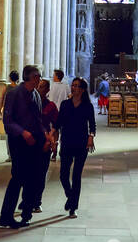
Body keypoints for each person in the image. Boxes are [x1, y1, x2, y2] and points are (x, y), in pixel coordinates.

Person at [0, 64, 45, 229]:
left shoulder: (36, 95)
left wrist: (44, 137)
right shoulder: (14, 94)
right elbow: (8, 121)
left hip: (34, 141)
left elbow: (38, 120)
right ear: (31, 78)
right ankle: (6, 216)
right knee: (17, 177)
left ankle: (26, 214)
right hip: (18, 141)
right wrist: (24, 133)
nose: (40, 79)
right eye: (38, 76)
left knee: (33, 178)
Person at [57, 77, 96, 218]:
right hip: (67, 142)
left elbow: (92, 125)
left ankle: (73, 207)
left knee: (76, 176)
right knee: (63, 175)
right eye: (73, 85)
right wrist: (53, 136)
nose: (74, 88)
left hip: (81, 143)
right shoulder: (65, 104)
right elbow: (58, 122)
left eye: (77, 86)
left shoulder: (87, 106)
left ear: (83, 89)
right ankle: (71, 197)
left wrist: (91, 136)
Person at [31, 79, 60, 213]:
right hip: (31, 143)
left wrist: (54, 144)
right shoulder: (30, 104)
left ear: (47, 90)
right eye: (38, 86)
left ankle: (37, 201)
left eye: (42, 87)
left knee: (41, 173)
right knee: (30, 173)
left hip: (45, 143)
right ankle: (28, 199)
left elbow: (56, 125)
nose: (39, 88)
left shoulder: (51, 106)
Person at [0, 70, 20, 161]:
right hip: (18, 114)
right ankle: (16, 153)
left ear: (10, 78)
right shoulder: (19, 88)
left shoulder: (7, 88)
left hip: (8, 114)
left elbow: (2, 100)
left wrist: (0, 111)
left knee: (9, 134)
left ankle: (10, 155)